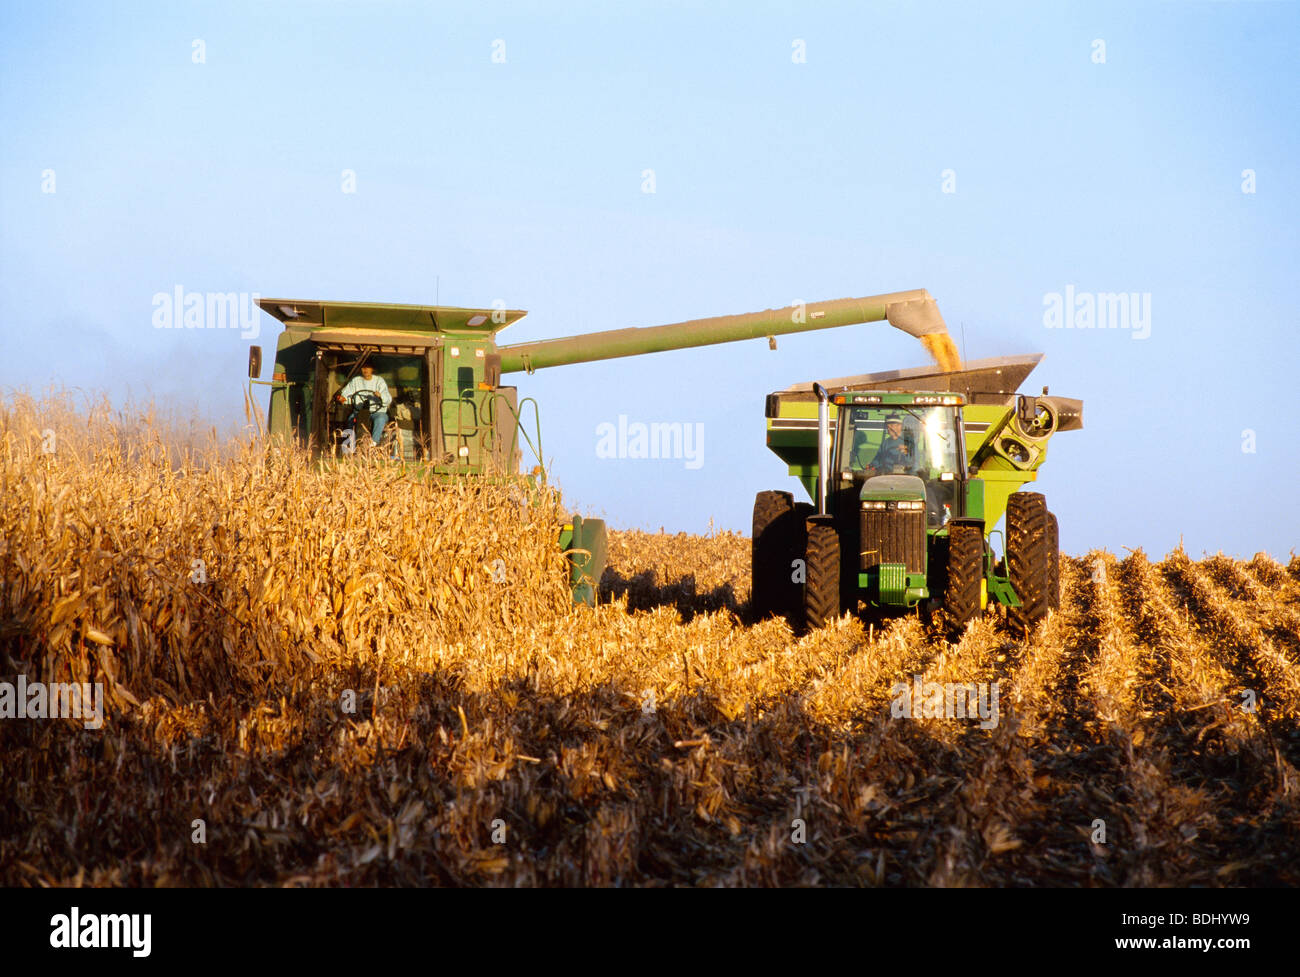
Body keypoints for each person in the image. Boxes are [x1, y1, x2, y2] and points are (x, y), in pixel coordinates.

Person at [336, 363, 392, 446]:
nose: (365, 370)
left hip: (376, 412)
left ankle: (373, 443)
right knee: (351, 419)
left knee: (381, 418)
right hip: (359, 412)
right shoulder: (355, 381)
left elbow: (388, 399)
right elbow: (347, 396)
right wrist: (343, 399)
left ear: (372, 369)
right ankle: (352, 444)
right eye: (363, 367)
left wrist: (380, 396)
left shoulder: (379, 381)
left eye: (368, 367)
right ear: (360, 369)